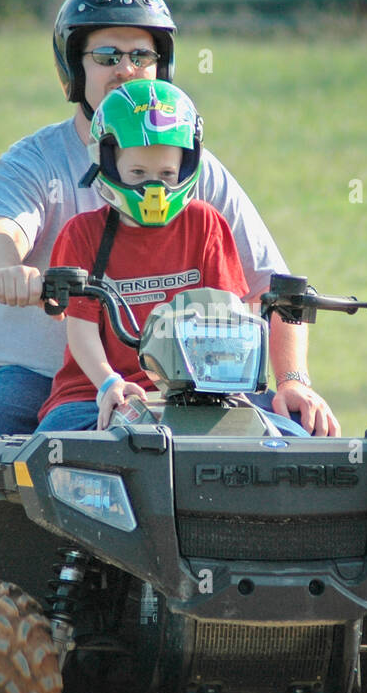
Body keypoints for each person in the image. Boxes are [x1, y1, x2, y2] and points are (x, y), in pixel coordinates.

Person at [0, 0, 336, 457]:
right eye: (107, 57)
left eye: (140, 57)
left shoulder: (189, 167)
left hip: (187, 382)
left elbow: (271, 284)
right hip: (46, 377)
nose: (126, 70)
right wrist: (9, 272)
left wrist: (293, 380)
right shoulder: (36, 160)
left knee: (303, 442)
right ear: (74, 71)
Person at [35, 79, 307, 437]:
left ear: (187, 164)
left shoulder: (206, 223)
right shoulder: (82, 234)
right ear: (107, 163)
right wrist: (108, 384)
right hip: (93, 394)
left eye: (166, 174)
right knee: (57, 444)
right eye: (137, 173)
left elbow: (226, 316)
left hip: (200, 397)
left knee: (294, 441)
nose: (154, 188)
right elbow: (80, 329)